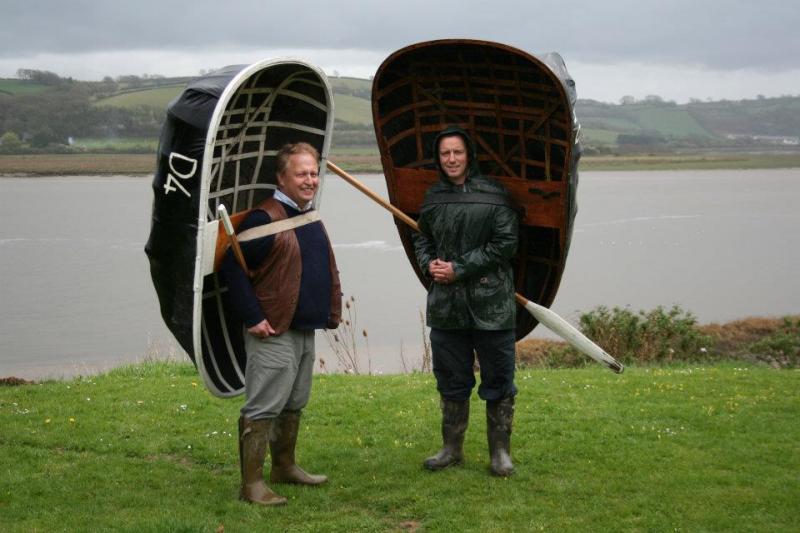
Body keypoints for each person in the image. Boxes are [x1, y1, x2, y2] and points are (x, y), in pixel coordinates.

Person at [220, 142, 342, 506]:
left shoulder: (305, 214)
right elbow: (231, 266)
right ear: (282, 178)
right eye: (301, 173)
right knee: (263, 407)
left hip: (302, 328)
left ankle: (284, 466)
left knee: (294, 402)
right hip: (274, 330)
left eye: (313, 173)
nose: (310, 180)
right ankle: (252, 485)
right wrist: (253, 316)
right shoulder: (265, 218)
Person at [412, 125, 519, 477]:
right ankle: (451, 449)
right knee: (451, 379)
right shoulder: (433, 197)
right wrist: (429, 264)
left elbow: (505, 244)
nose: (452, 159)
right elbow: (421, 238)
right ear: (438, 158)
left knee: (499, 379)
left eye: (457, 152)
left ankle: (500, 452)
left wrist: (460, 268)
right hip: (446, 307)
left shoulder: (495, 195)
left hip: (493, 305)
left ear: (469, 154)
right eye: (445, 153)